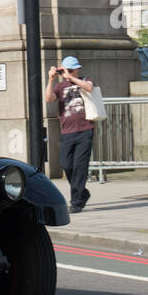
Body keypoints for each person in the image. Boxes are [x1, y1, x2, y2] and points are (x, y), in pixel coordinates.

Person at [45, 55, 95, 213]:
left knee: (80, 166)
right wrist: (51, 80)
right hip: (67, 131)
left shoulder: (84, 79)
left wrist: (72, 78)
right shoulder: (60, 86)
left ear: (77, 69)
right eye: (67, 70)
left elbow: (89, 88)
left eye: (72, 70)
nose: (70, 73)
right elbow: (48, 99)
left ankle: (76, 202)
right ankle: (83, 192)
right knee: (66, 164)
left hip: (85, 129)